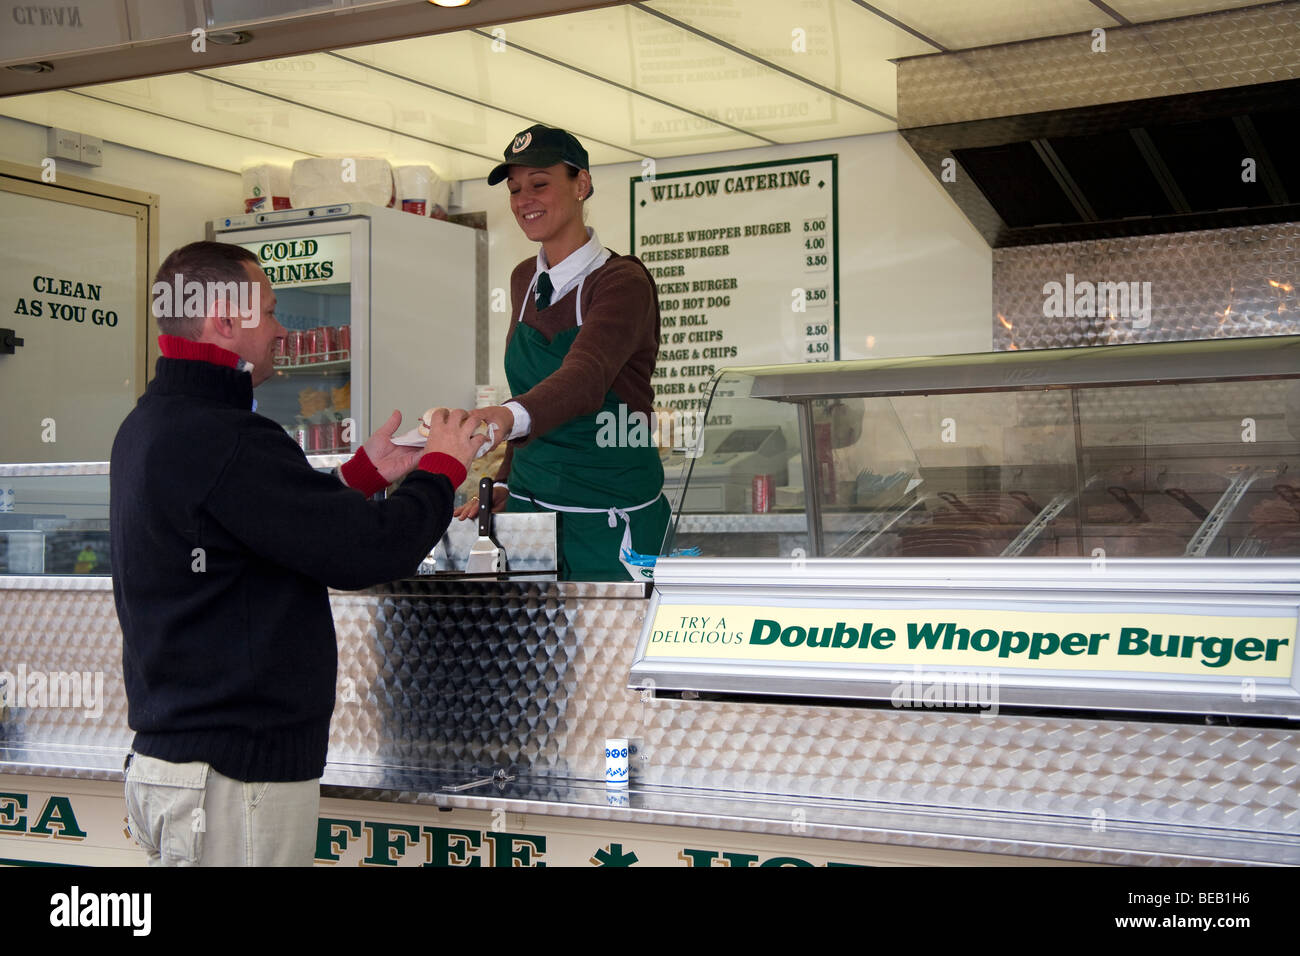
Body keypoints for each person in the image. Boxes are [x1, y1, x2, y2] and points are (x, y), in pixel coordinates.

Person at [111, 240, 484, 866]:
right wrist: (443, 470)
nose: (282, 331)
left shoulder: (152, 424)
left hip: (179, 770)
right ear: (224, 322)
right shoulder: (226, 437)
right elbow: (368, 552)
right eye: (270, 312)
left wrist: (363, 474)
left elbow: (263, 530)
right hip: (235, 780)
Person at [461, 124, 670, 581]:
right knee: (539, 651)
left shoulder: (621, 282)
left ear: (582, 184)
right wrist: (503, 481)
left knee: (612, 650)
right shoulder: (523, 280)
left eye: (540, 184)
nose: (524, 200)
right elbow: (535, 394)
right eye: (515, 189)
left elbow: (584, 379)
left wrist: (501, 417)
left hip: (607, 513)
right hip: (530, 515)